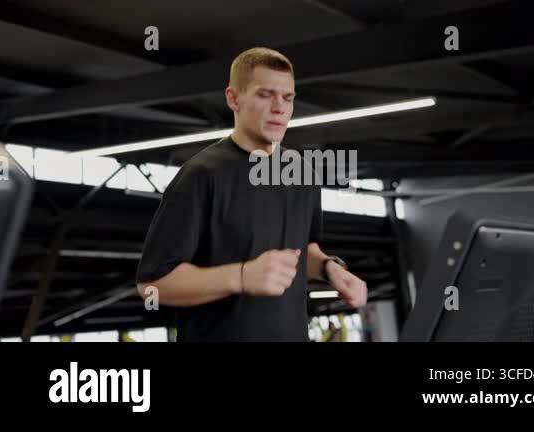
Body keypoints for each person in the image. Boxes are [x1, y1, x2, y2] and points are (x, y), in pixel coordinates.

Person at [136, 47, 367, 341]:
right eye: (264, 94)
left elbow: (302, 249)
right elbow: (152, 286)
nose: (279, 108)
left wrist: (329, 268)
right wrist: (241, 276)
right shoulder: (201, 176)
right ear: (234, 99)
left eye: (287, 98)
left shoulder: (302, 173)